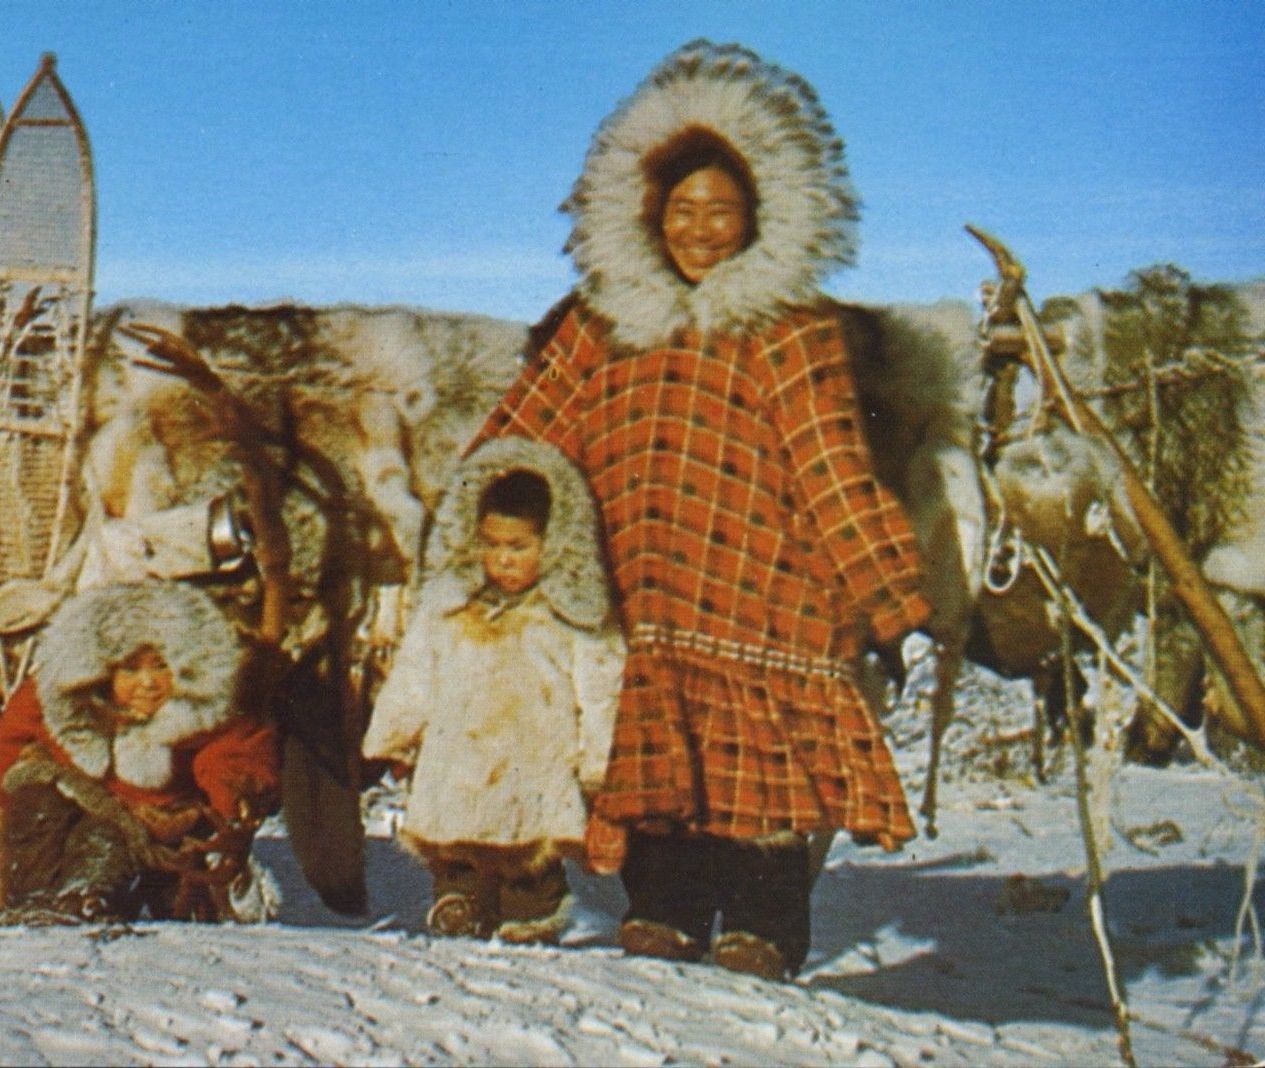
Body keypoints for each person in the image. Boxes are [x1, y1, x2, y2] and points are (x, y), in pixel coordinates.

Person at [469, 40, 933, 979]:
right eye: (684, 209)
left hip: (771, 589)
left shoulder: (792, 330)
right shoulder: (599, 325)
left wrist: (894, 602)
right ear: (647, 212)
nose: (702, 228)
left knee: (765, 776)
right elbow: (520, 443)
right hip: (648, 596)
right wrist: (465, 533)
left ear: (760, 216)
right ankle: (668, 907)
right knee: (665, 765)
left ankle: (767, 921)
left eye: (723, 209)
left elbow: (834, 468)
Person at [363, 437, 626, 944]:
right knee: (452, 836)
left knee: (533, 848)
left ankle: (530, 915)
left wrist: (596, 764)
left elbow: (600, 689)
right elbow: (417, 671)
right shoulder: (450, 606)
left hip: (537, 755)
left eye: (519, 547)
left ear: (554, 544)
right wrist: (395, 735)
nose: (503, 560)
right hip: (457, 750)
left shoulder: (574, 615)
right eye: (492, 545)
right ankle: (456, 900)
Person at [0, 581, 281, 927]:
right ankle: (61, 897)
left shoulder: (208, 707)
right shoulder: (49, 702)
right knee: (44, 791)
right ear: (102, 673)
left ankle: (123, 897)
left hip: (173, 835)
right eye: (130, 670)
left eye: (161, 666)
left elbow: (234, 758)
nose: (148, 683)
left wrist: (231, 814)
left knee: (188, 904)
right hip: (74, 822)